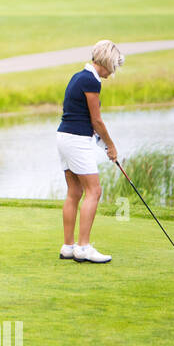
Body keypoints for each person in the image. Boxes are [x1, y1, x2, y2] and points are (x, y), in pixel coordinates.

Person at [56, 40, 125, 263]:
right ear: (107, 62)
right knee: (94, 191)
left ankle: (68, 246)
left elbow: (83, 117)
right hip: (76, 140)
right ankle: (83, 247)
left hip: (64, 137)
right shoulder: (91, 81)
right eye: (113, 66)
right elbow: (96, 120)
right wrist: (111, 145)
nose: (112, 72)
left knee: (74, 192)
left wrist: (101, 143)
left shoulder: (78, 76)